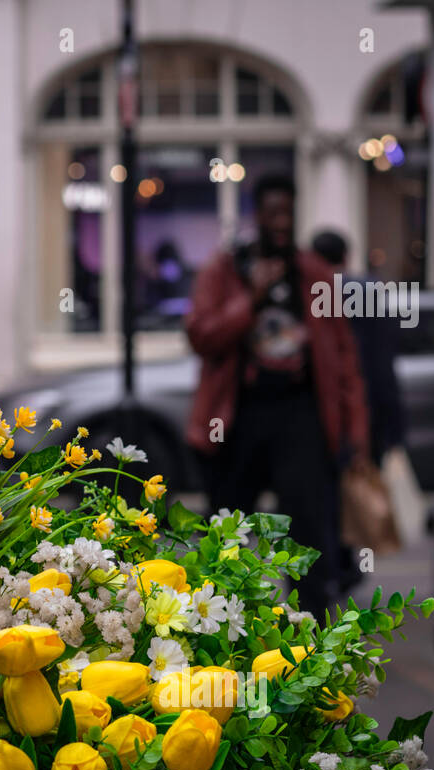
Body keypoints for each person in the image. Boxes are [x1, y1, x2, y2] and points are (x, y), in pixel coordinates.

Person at [185, 174, 370, 612]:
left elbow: (344, 361)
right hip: (239, 414)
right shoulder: (226, 270)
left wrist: (355, 433)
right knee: (226, 530)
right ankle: (218, 626)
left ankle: (314, 638)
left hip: (300, 413)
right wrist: (251, 297)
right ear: (258, 215)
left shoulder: (314, 274)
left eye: (288, 212)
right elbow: (201, 335)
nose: (281, 223)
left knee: (308, 529)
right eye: (272, 214)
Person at [310, 231, 406, 465]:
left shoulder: (308, 294)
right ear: (345, 257)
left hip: (317, 411)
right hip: (365, 406)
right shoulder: (365, 292)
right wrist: (395, 426)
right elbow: (382, 360)